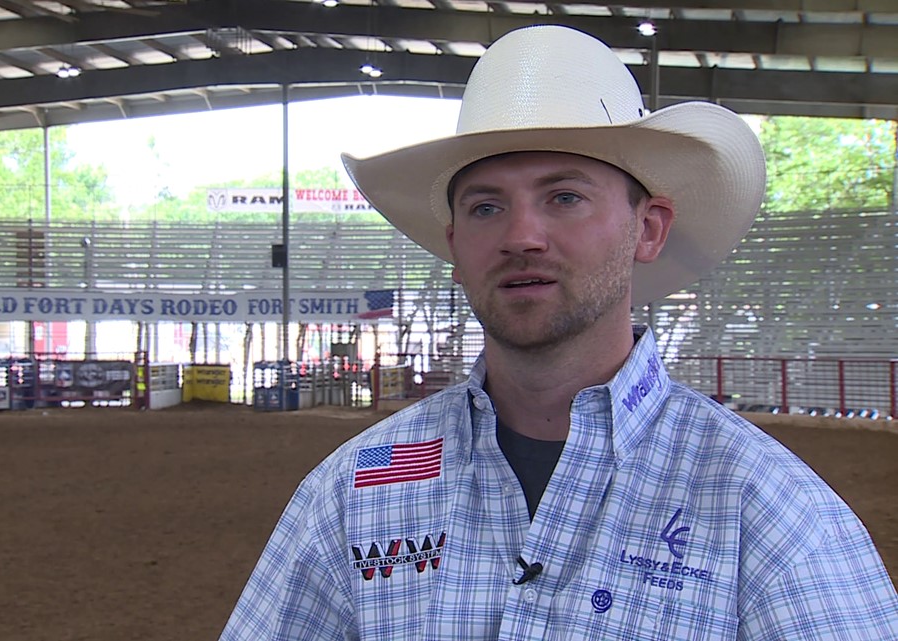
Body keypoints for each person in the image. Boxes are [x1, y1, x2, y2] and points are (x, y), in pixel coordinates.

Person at [220, 24, 898, 640]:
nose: (520, 236)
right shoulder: (350, 494)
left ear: (648, 228)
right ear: (455, 246)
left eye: (564, 196)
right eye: (487, 206)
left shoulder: (769, 513)